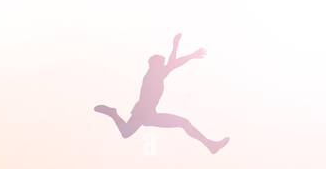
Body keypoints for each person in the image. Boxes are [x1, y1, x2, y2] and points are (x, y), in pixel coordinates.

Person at [95, 33, 229, 154]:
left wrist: (177, 47)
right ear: (154, 64)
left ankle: (113, 113)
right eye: (162, 63)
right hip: (145, 113)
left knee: (126, 133)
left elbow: (172, 64)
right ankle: (210, 145)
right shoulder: (153, 75)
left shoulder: (155, 74)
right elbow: (173, 64)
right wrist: (185, 51)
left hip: (145, 113)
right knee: (184, 123)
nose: (165, 65)